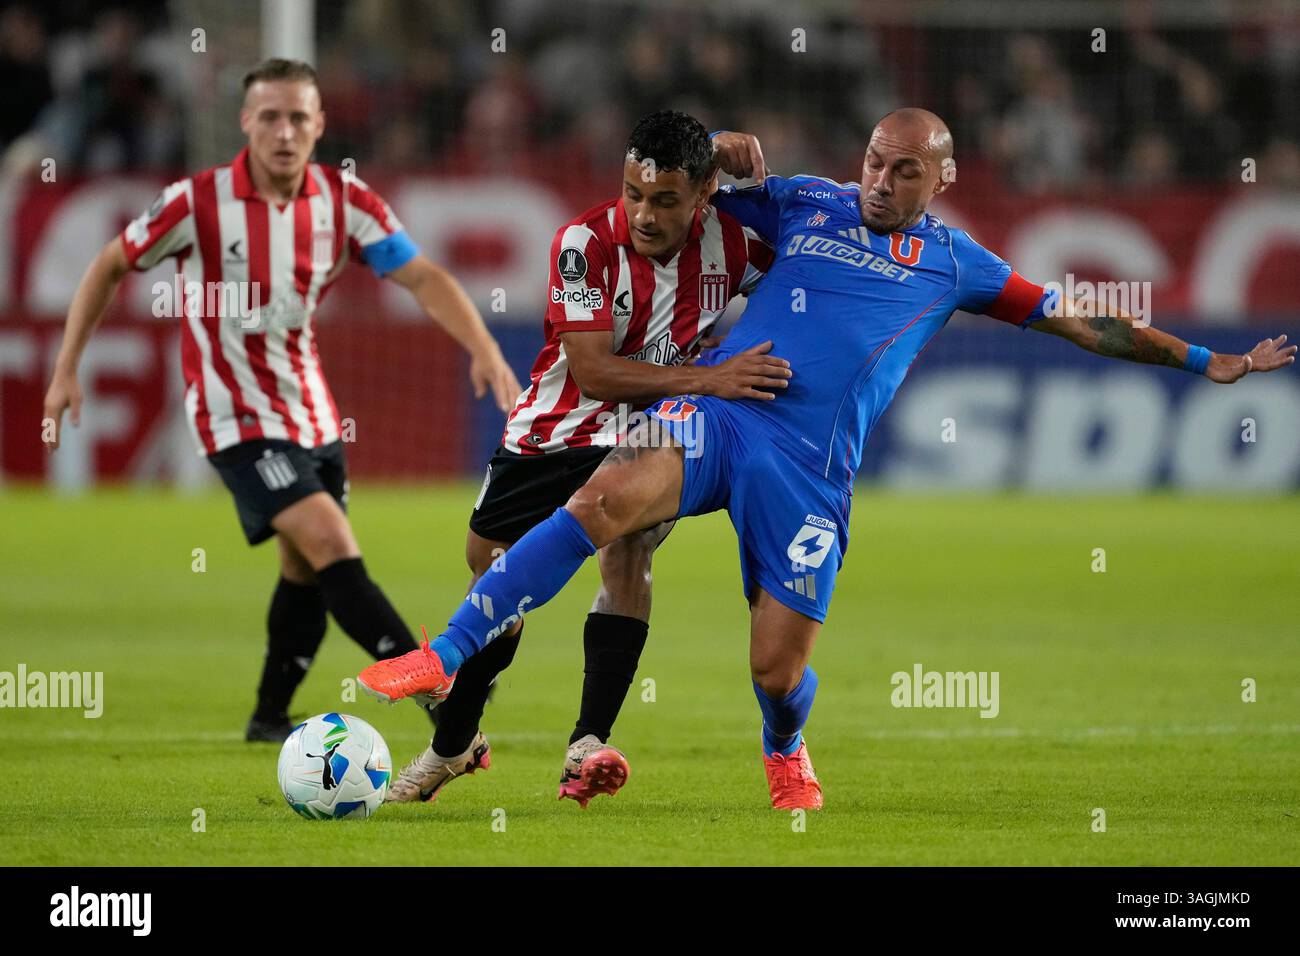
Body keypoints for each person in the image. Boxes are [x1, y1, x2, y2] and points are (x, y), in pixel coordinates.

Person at [357, 108, 1296, 809]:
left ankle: (784, 744)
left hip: (809, 472)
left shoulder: (958, 264)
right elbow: (696, 176)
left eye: (906, 171)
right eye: (875, 162)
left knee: (774, 667)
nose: (881, 182)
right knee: (606, 503)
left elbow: (1078, 320)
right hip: (720, 414)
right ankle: (444, 655)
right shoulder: (809, 201)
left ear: (943, 179)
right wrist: (725, 140)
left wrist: (1207, 360)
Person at [41, 58, 521, 742]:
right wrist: (66, 368)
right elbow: (110, 263)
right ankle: (435, 690)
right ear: (246, 123)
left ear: (320, 125)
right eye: (270, 116)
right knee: (329, 540)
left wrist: (483, 346)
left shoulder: (344, 202)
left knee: (304, 568)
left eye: (299, 116)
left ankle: (268, 716)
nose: (285, 131)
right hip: (232, 415)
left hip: (311, 411)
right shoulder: (197, 202)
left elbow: (421, 275)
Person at [385, 110, 785, 808]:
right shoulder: (583, 244)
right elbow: (595, 373)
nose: (644, 213)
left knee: (630, 553)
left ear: (702, 196)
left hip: (649, 435)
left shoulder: (733, 246)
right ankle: (455, 746)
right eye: (634, 193)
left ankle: (587, 742)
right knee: (495, 576)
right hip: (551, 432)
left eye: (664, 200)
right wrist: (708, 376)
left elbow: (806, 278)